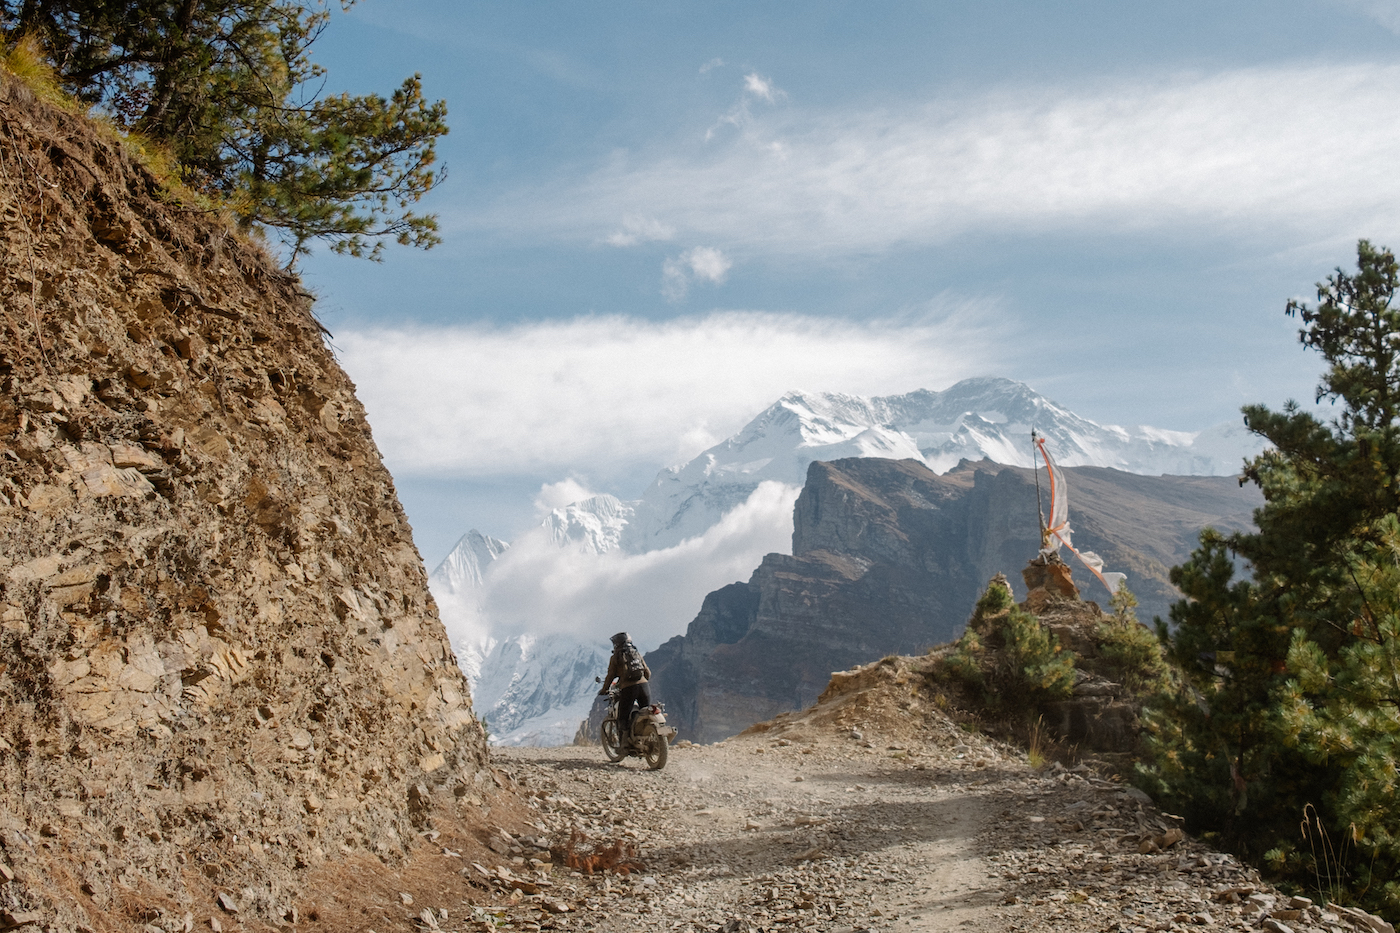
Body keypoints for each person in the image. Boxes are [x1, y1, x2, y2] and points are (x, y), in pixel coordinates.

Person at [599, 631, 652, 748]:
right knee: (645, 713)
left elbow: (610, 676)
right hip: (644, 686)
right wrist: (643, 681)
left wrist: (604, 690)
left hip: (629, 689)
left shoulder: (615, 657)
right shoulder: (636, 653)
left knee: (623, 717)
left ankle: (624, 746)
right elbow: (647, 672)